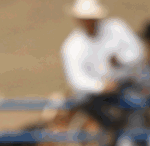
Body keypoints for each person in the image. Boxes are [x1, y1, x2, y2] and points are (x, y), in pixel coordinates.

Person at [60, 0, 145, 137]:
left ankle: (132, 134)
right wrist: (101, 86)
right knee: (84, 101)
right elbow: (76, 79)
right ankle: (116, 131)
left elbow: (138, 52)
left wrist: (122, 60)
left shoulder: (117, 28)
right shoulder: (72, 46)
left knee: (140, 104)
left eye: (91, 19)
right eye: (85, 19)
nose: (89, 22)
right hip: (96, 95)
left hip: (126, 84)